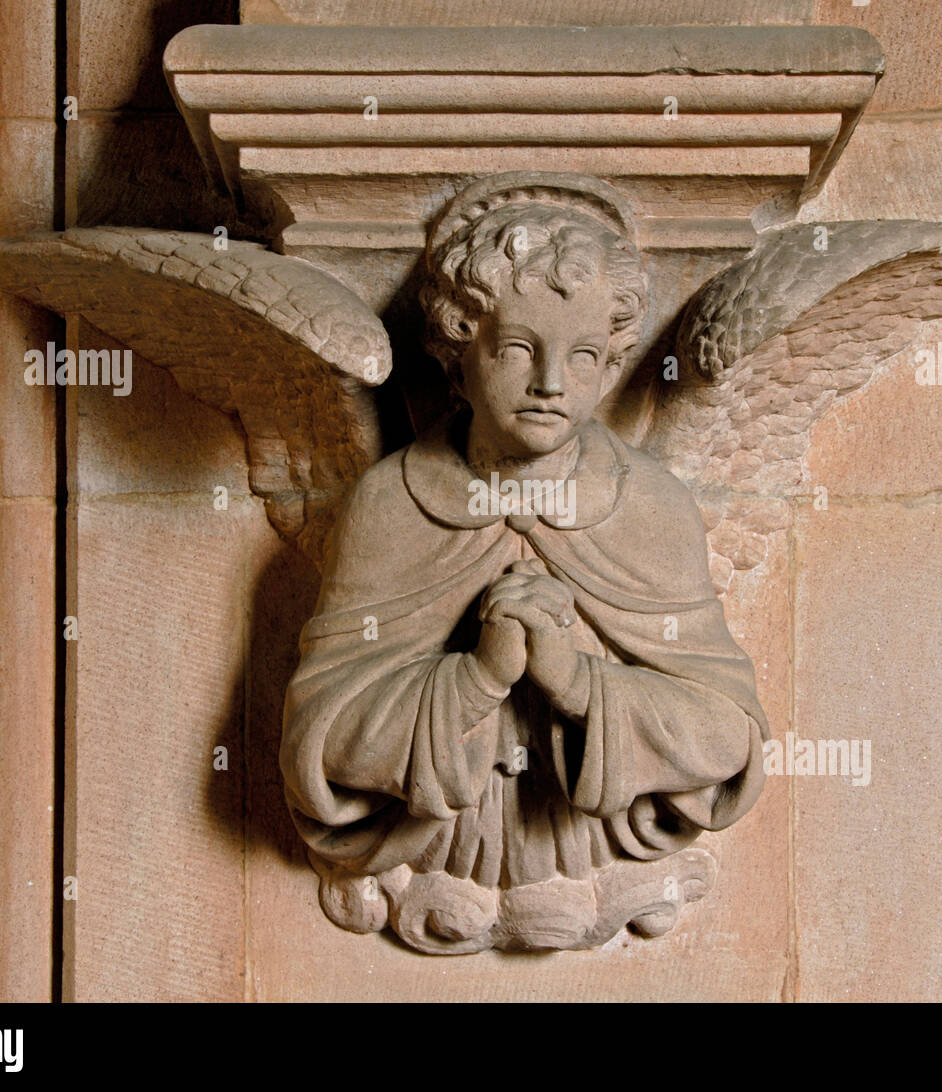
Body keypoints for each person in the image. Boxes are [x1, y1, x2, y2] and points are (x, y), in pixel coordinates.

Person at [280, 179, 768, 954]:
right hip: (433, 857)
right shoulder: (392, 504)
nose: (550, 383)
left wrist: (580, 685)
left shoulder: (648, 507)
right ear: (454, 350)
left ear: (612, 364)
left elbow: (728, 739)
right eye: (515, 349)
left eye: (582, 356)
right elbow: (320, 740)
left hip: (599, 856)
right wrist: (475, 680)